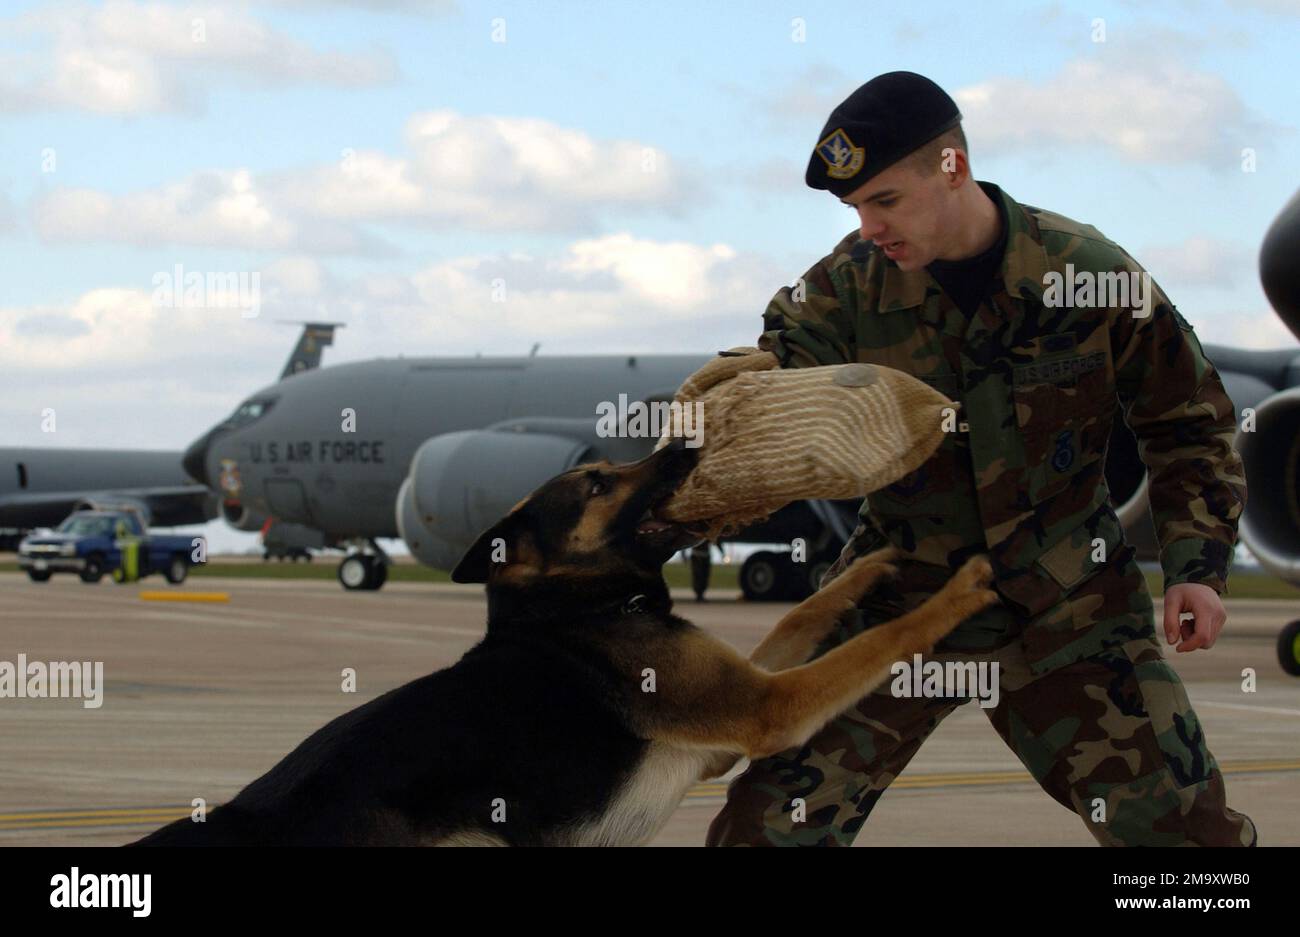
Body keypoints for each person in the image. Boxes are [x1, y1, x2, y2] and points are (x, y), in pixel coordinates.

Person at [705, 71, 1255, 847]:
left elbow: (1188, 418)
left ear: (951, 168)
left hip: (1070, 609)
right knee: (765, 833)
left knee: (1192, 848)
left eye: (885, 200)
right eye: (855, 208)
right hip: (902, 604)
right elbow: (771, 387)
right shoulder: (840, 292)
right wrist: (723, 413)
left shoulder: (1088, 274)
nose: (868, 228)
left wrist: (1196, 562)